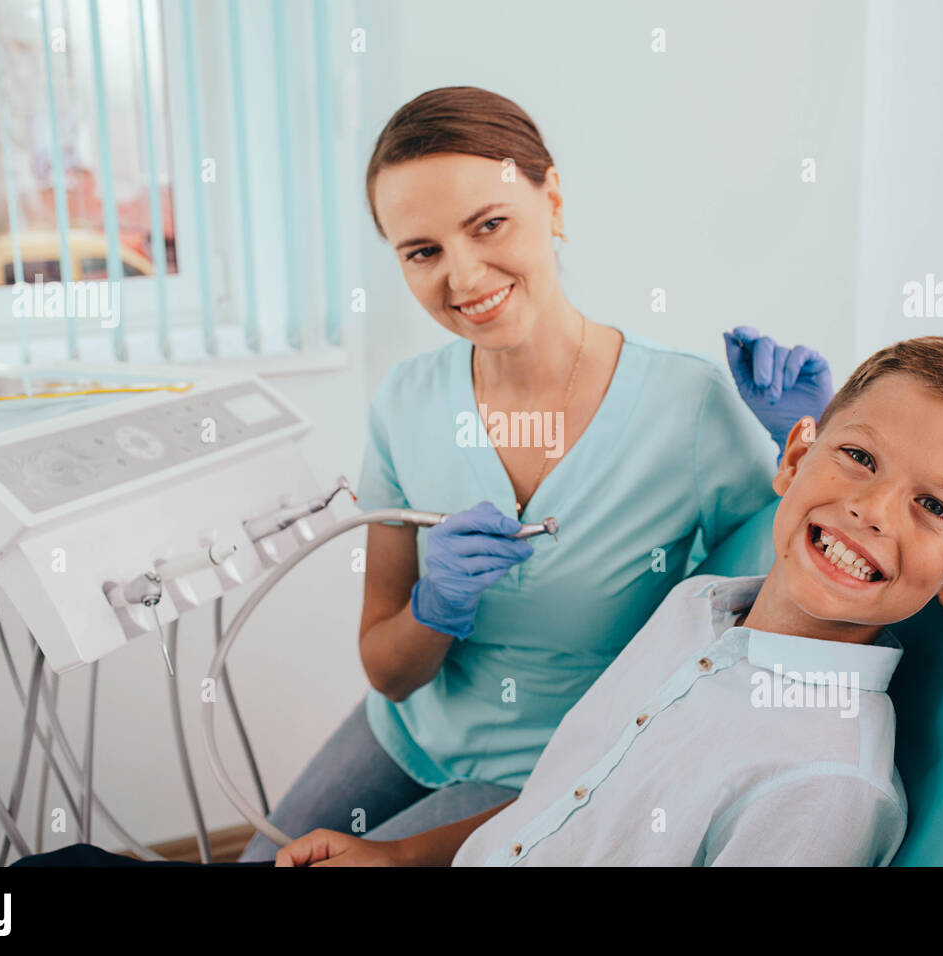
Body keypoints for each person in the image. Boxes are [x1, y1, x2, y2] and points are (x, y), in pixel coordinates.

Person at [232, 86, 833, 861]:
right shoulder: (405, 406)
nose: (464, 275)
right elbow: (388, 671)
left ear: (552, 199)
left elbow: (790, 597)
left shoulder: (686, 409)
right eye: (423, 251)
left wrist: (808, 448)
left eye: (489, 224)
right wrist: (434, 606)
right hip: (408, 733)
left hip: (561, 765)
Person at [262, 336, 943, 866]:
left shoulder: (825, 790)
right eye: (858, 456)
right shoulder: (695, 609)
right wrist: (397, 858)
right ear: (796, 456)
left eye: (934, 507)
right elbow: (565, 806)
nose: (875, 509)